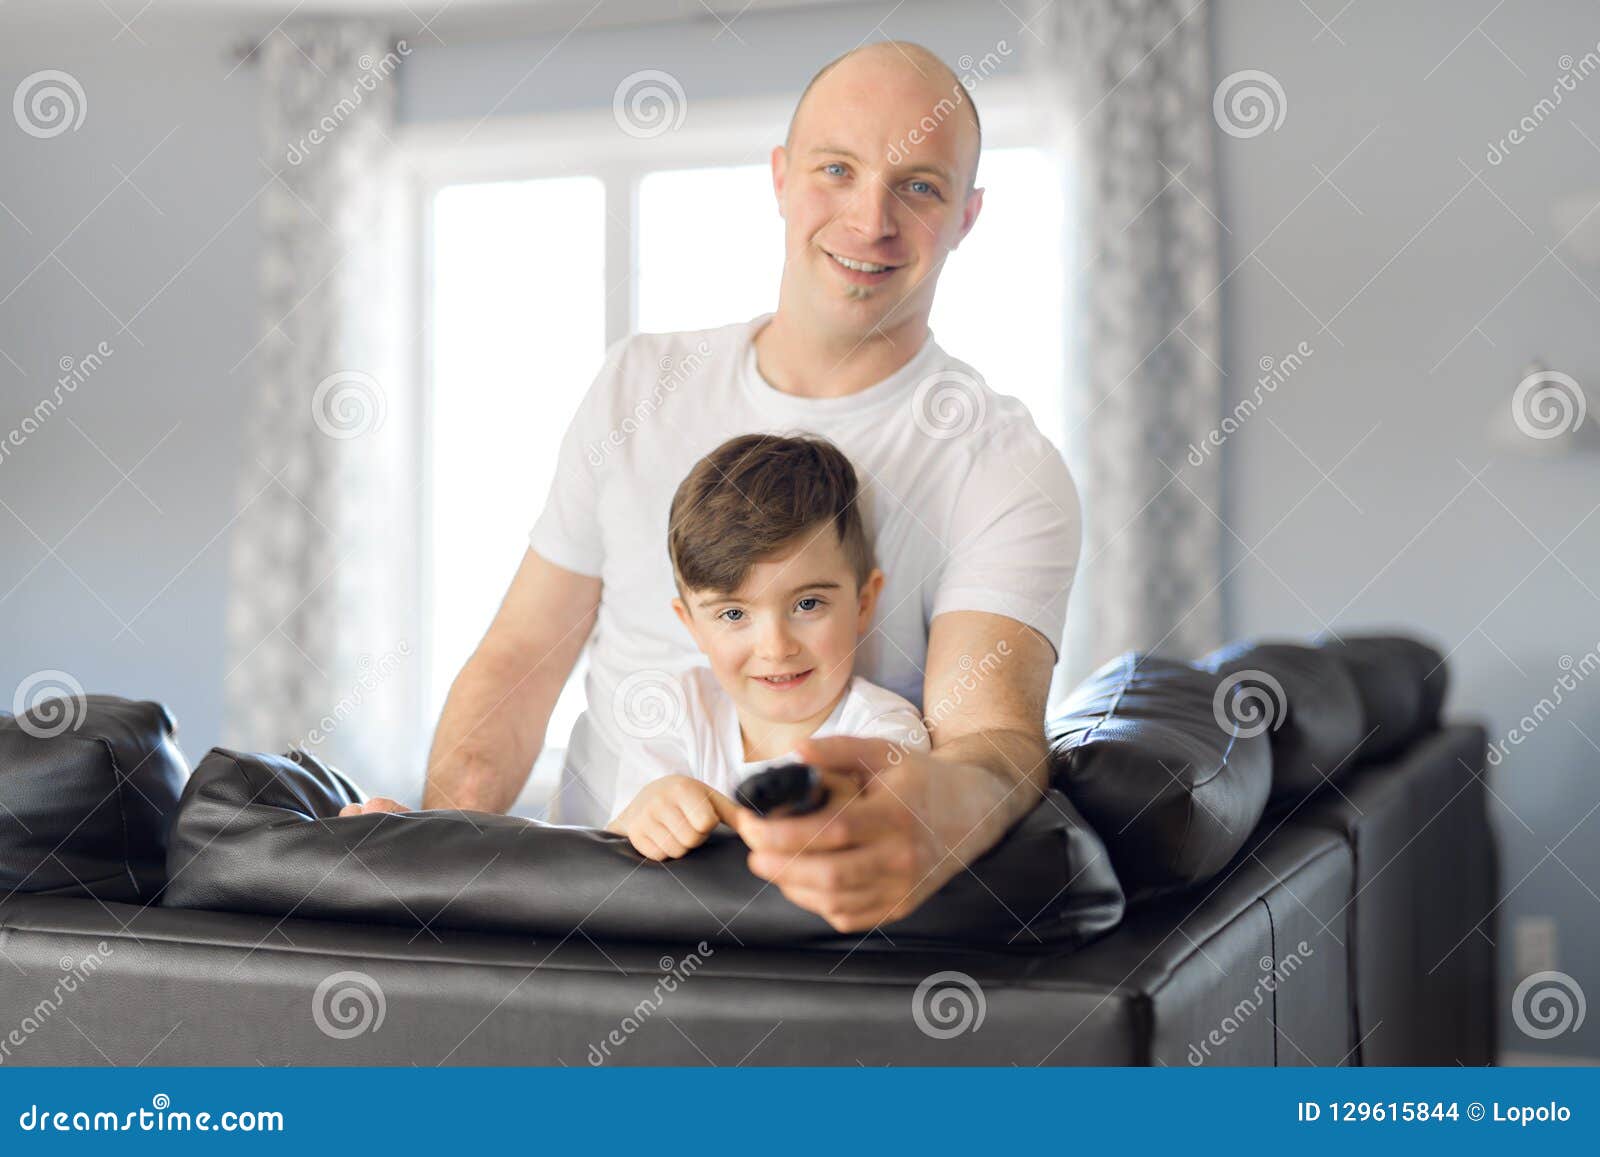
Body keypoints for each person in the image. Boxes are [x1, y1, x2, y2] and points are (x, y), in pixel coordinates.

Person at [343, 40, 1082, 935]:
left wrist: (938, 809)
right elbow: (519, 659)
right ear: (779, 178)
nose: (870, 220)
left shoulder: (1001, 461)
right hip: (578, 916)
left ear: (967, 216)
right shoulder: (638, 385)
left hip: (804, 933)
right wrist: (432, 858)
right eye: (836, 169)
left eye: (919, 187)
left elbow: (988, 740)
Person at [604, 433, 930, 861]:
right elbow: (611, 854)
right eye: (734, 615)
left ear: (863, 603)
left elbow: (876, 843)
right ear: (692, 626)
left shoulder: (883, 729)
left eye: (808, 604)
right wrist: (646, 814)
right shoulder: (678, 711)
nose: (775, 649)